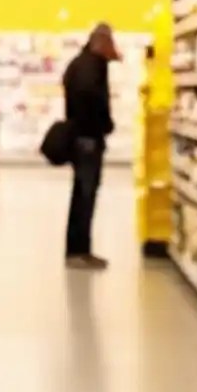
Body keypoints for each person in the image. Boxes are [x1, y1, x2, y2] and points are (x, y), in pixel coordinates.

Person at [61, 22, 120, 269]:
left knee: (81, 194)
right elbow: (92, 100)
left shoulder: (81, 62)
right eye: (110, 43)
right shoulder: (92, 66)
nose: (113, 48)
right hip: (88, 139)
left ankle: (78, 250)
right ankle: (78, 252)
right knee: (85, 195)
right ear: (101, 43)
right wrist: (105, 125)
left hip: (81, 137)